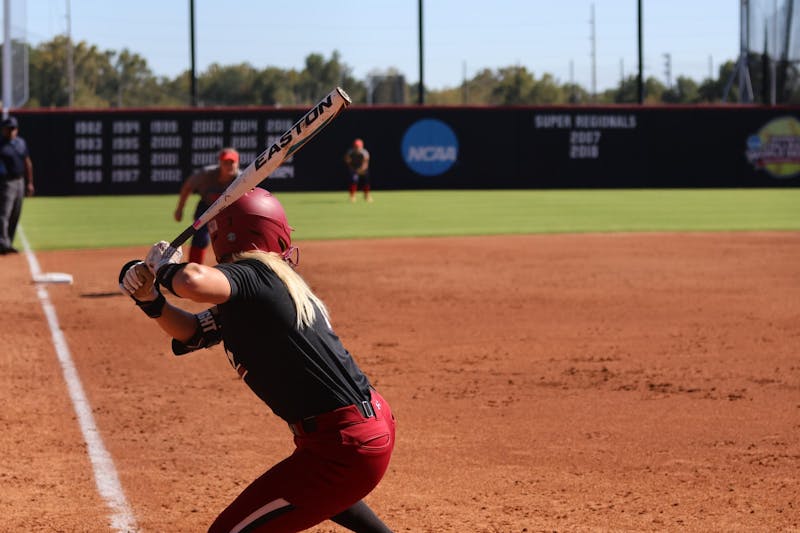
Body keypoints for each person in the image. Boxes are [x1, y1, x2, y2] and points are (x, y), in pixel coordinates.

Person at [119, 187, 396, 533]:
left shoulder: (259, 276)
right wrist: (150, 301)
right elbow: (191, 331)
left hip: (345, 445)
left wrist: (165, 269)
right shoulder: (255, 294)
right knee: (314, 489)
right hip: (349, 439)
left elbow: (190, 280)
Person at [174, 147, 241, 264]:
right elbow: (188, 187)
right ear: (220, 163)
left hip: (230, 209)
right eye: (225, 162)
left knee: (233, 237)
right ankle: (193, 266)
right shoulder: (206, 174)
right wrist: (180, 209)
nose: (229, 165)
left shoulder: (242, 178)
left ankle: (233, 268)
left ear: (237, 163)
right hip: (207, 207)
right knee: (200, 236)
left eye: (232, 162)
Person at [0, 116, 34, 255]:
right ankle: (3, 243)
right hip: (6, 182)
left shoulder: (21, 143)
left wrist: (30, 183)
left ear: (17, 130)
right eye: (8, 128)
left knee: (16, 213)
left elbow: (28, 163)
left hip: (20, 181)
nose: (10, 131)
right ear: (3, 129)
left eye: (13, 128)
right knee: (4, 214)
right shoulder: (0, 144)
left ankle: (9, 243)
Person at [343, 138, 372, 203]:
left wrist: (361, 170)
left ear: (361, 146)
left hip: (363, 170)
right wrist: (353, 169)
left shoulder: (365, 153)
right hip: (354, 169)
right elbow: (347, 161)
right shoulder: (350, 152)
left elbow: (365, 164)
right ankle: (352, 196)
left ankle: (367, 196)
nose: (357, 148)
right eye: (356, 146)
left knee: (366, 182)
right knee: (353, 181)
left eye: (358, 146)